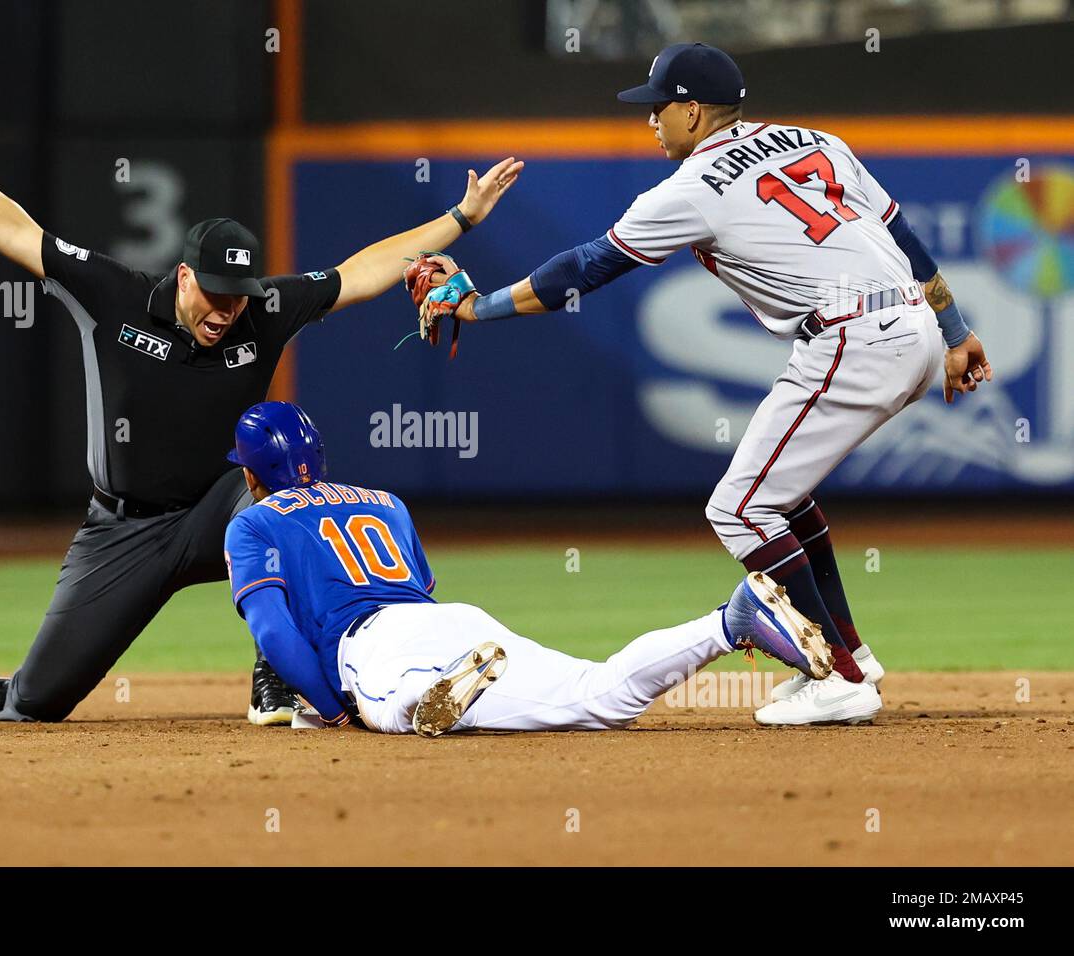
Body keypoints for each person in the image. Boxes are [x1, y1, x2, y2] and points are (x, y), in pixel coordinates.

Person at [0, 78, 523, 723]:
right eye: (216, 293)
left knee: (284, 484)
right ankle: (17, 688)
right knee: (41, 704)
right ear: (185, 275)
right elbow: (15, 233)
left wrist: (460, 219)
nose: (229, 309)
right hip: (123, 529)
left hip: (224, 508)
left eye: (239, 294)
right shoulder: (117, 297)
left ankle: (279, 671)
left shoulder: (262, 311)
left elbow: (359, 273)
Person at [418, 43, 993, 726]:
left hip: (854, 336)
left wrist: (478, 306)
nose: (650, 119)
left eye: (659, 106)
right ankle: (848, 654)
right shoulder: (816, 140)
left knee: (740, 509)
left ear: (693, 110)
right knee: (781, 496)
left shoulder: (692, 186)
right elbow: (906, 238)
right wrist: (954, 333)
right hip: (909, 325)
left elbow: (586, 267)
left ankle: (839, 679)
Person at [221, 401, 835, 736]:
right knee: (600, 694)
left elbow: (273, 632)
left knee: (385, 714)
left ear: (250, 475)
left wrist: (331, 711)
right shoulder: (385, 501)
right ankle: (729, 623)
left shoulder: (252, 522)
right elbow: (421, 589)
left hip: (375, 645)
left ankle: (418, 697)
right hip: (456, 624)